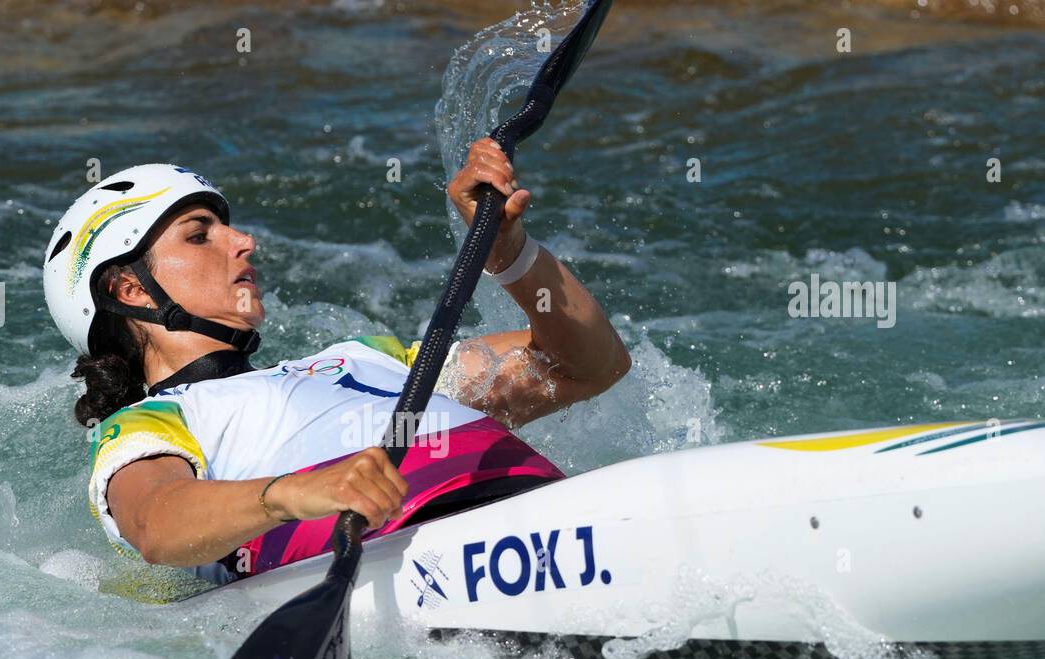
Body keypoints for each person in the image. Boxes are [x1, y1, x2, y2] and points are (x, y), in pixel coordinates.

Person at [42, 139, 631, 584]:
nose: (243, 241)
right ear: (130, 290)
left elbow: (585, 366)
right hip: (422, 564)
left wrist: (513, 256)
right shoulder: (149, 425)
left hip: (547, 512)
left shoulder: (362, 358)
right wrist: (296, 493)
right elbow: (157, 525)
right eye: (200, 236)